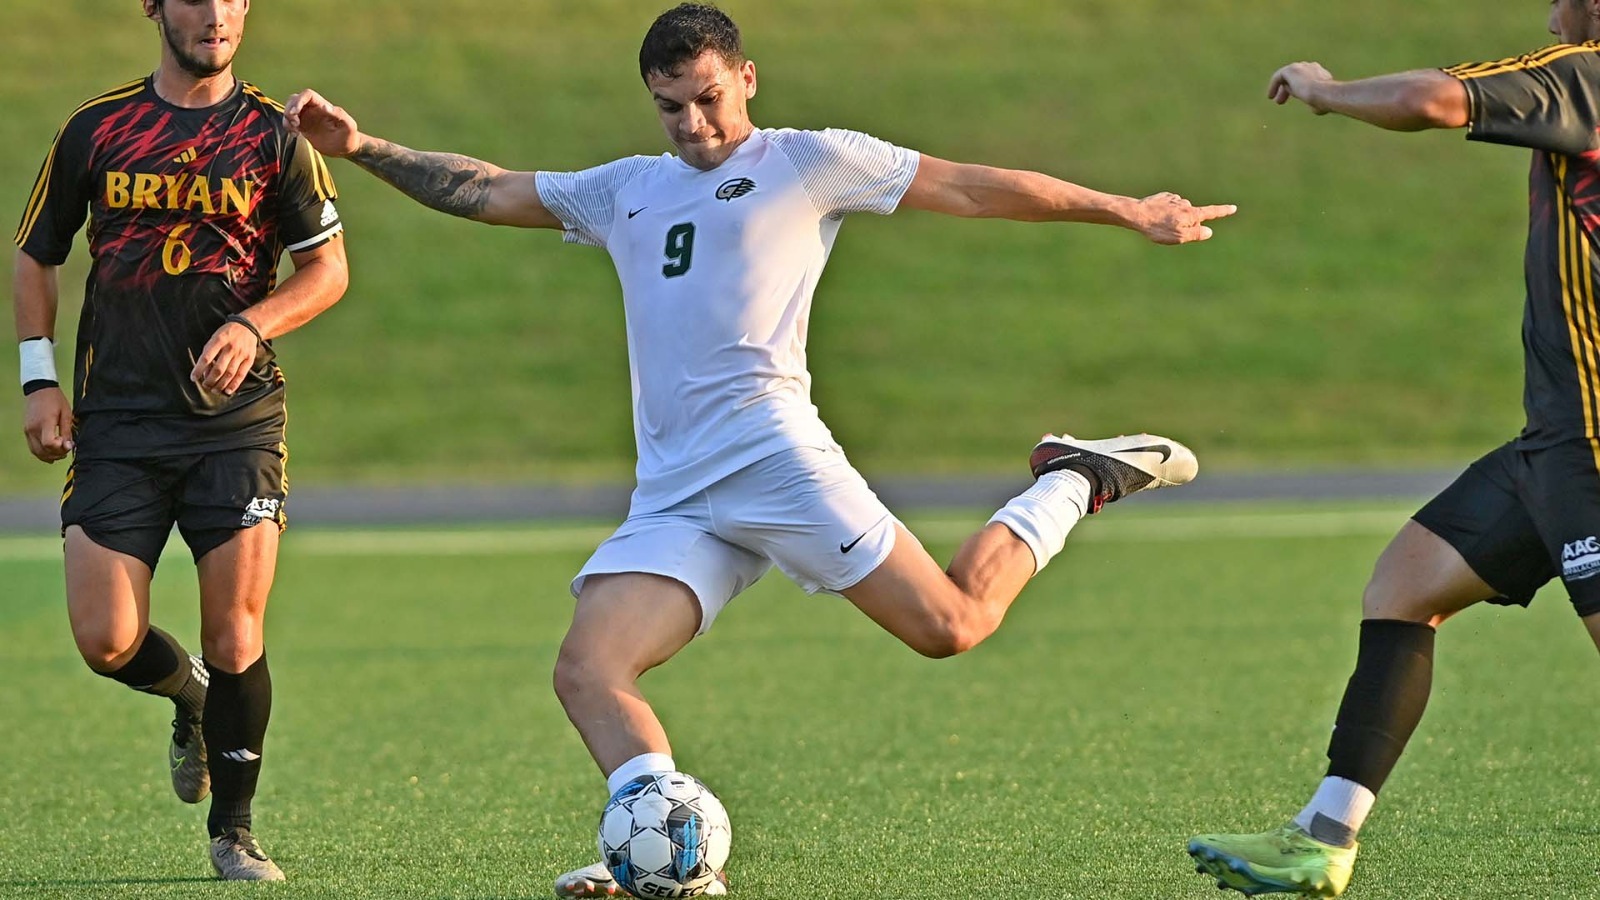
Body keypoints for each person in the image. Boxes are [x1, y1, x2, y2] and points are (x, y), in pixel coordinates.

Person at [284, 4, 1230, 896]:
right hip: (674, 495)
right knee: (587, 670)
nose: (693, 124)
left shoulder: (809, 162)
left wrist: (1125, 209)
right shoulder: (626, 189)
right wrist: (361, 148)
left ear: (746, 78)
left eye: (708, 98)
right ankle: (669, 858)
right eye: (670, 106)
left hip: (774, 459)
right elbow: (487, 189)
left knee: (954, 625)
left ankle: (1072, 476)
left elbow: (971, 188)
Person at [1186, 3, 1600, 897]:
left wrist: (1326, 91)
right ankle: (1323, 837)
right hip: (1554, 442)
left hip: (1594, 443)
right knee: (1406, 585)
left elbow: (1434, 99)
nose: (1550, 9)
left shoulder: (1589, 71)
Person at [14, 0, 349, 882]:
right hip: (117, 422)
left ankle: (233, 833)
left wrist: (252, 323)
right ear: (154, 8)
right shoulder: (96, 128)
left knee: (236, 633)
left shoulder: (276, 136)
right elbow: (36, 253)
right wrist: (39, 380)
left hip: (235, 424)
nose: (216, 14)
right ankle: (189, 694)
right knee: (105, 640)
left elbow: (328, 270)